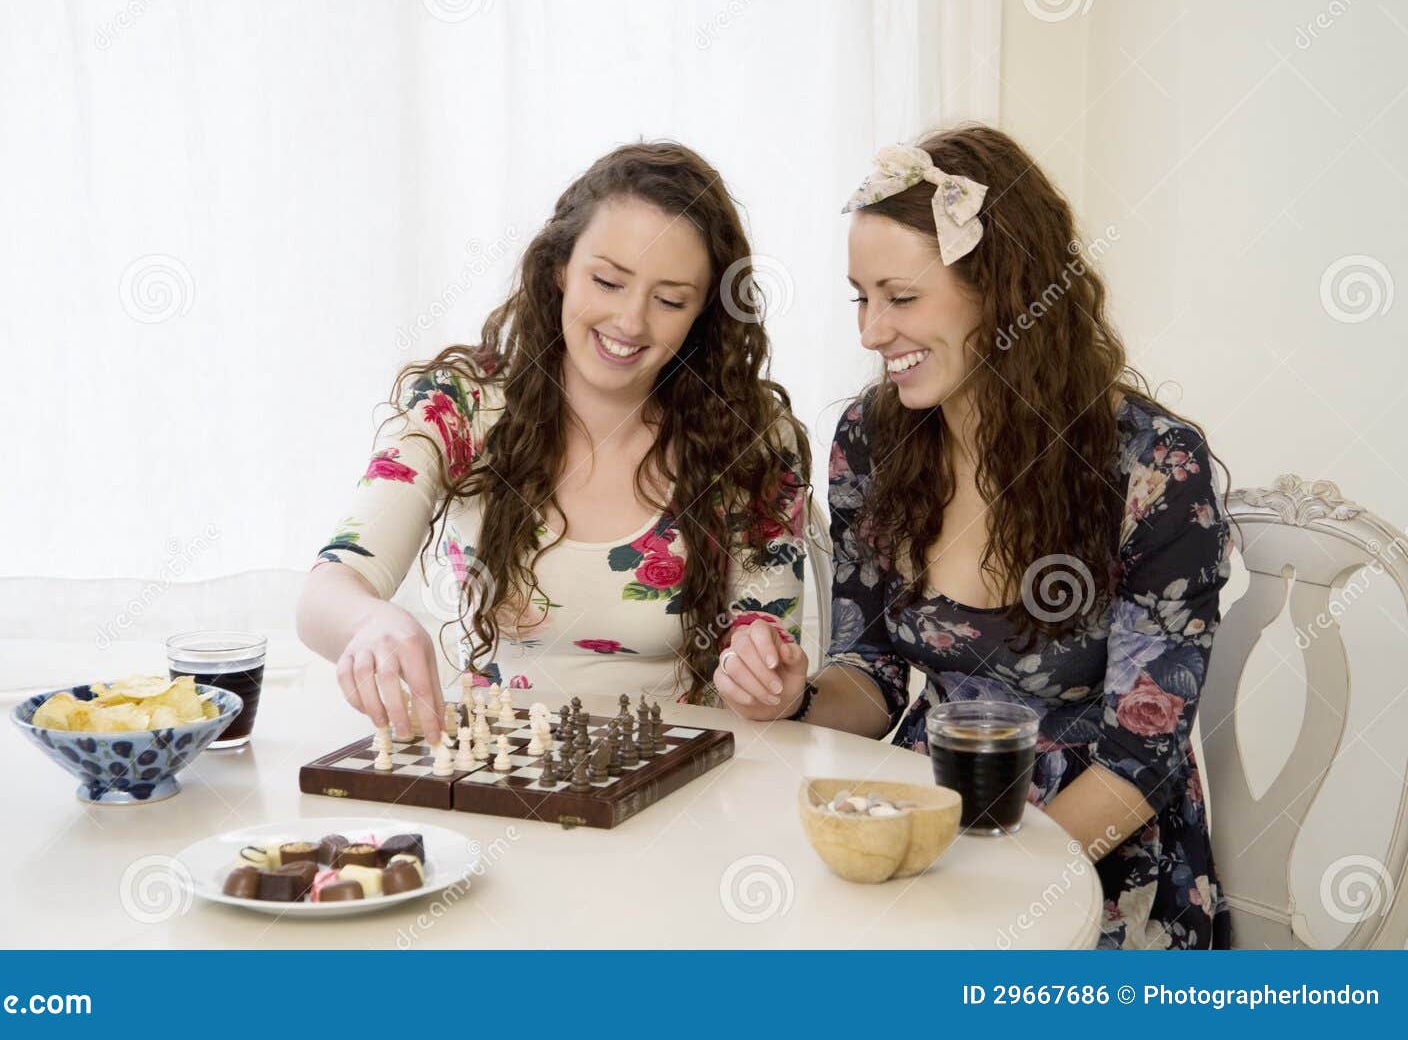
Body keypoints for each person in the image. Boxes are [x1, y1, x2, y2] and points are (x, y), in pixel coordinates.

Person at [714, 126, 1234, 949]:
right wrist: (796, 698)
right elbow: (873, 671)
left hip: (1092, 852)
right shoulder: (872, 441)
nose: (871, 332)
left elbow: (1141, 761)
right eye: (860, 298)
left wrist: (993, 890)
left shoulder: (1153, 468)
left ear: (1003, 289)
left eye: (901, 297)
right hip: (927, 828)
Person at [297, 141, 811, 746]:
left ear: (704, 312)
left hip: (682, 773)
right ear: (559, 267)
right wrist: (369, 621)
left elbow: (769, 665)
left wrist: (769, 682)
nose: (630, 322)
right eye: (608, 281)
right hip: (501, 765)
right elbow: (325, 591)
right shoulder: (460, 407)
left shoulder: (752, 438)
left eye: (670, 300)